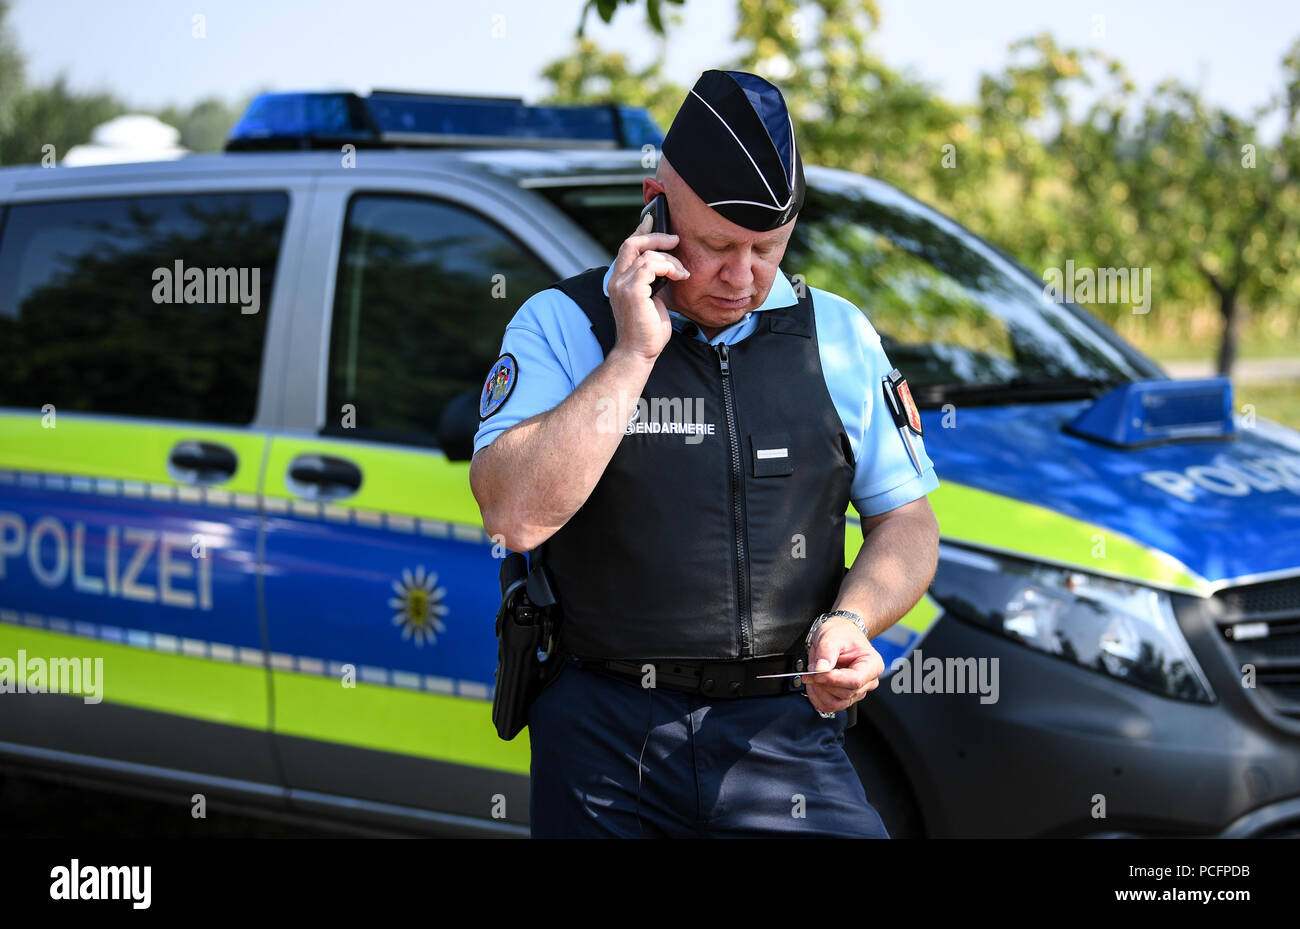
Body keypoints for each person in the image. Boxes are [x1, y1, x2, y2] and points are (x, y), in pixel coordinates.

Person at [470, 69, 940, 838]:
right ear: (653, 202)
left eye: (768, 247)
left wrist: (853, 620)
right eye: (719, 243)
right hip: (604, 738)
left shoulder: (838, 334)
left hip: (779, 731)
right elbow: (513, 515)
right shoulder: (561, 324)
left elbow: (908, 522)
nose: (744, 276)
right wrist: (630, 356)